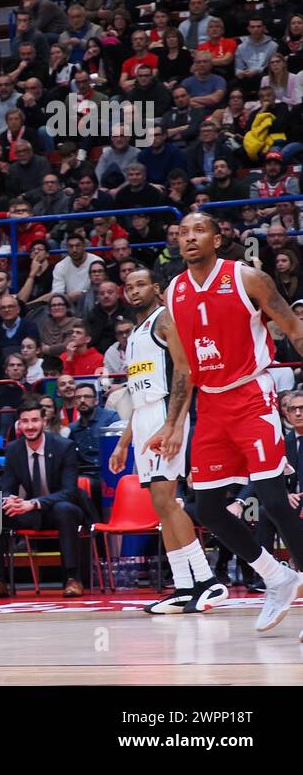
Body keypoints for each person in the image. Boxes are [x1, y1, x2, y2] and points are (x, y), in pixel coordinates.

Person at [151, 212, 303, 635]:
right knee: (209, 508)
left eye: (199, 231)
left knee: (274, 500)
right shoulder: (174, 293)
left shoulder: (248, 278)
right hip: (211, 406)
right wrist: (173, 424)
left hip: (252, 394)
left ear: (218, 239)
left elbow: (294, 328)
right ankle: (277, 578)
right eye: (183, 233)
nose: (189, 238)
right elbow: (182, 368)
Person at [109, 268, 228, 614]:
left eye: (141, 284)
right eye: (129, 287)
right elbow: (135, 395)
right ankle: (183, 586)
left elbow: (185, 370)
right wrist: (122, 443)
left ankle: (207, 580)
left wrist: (174, 425)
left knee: (166, 498)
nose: (134, 291)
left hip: (165, 414)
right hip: (144, 416)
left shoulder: (165, 320)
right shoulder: (133, 334)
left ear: (157, 289)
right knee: (160, 505)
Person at [0, 400, 86, 598]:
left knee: (64, 509)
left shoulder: (65, 447)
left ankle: (72, 579)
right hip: (30, 511)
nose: (30, 426)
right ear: (19, 424)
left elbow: (69, 491)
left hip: (61, 509)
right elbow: (7, 487)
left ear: (44, 421)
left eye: (35, 420)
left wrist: (34, 503)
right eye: (25, 421)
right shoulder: (13, 449)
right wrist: (9, 500)